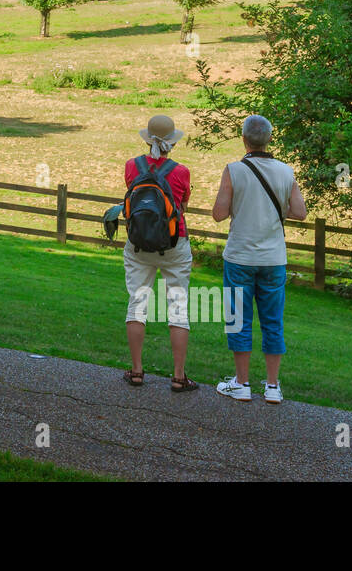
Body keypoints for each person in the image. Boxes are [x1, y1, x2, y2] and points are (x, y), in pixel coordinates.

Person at [210, 114, 307, 403]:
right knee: (272, 320)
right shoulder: (286, 172)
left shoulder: (233, 170)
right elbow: (300, 212)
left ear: (244, 139)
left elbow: (218, 214)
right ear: (270, 139)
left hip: (240, 256)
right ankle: (273, 386)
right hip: (274, 258)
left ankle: (241, 383)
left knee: (239, 319)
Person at [121, 114, 197, 392]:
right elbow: (183, 204)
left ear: (147, 139)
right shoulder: (181, 172)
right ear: (172, 143)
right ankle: (178, 376)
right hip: (174, 244)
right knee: (178, 307)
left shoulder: (132, 166)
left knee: (137, 304)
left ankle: (138, 371)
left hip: (139, 244)